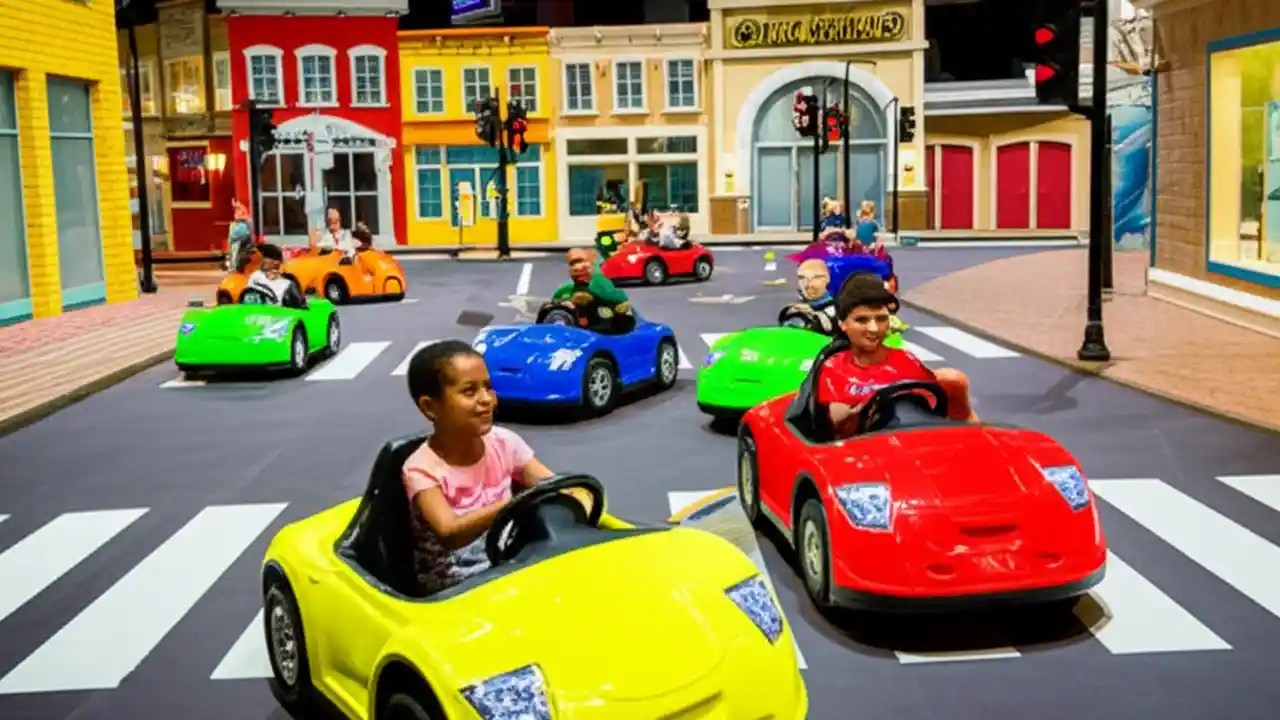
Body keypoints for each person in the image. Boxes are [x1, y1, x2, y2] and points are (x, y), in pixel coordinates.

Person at [401, 341, 555, 593]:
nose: (487, 400)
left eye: (488, 387)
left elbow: (551, 484)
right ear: (430, 407)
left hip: (508, 565)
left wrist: (573, 496)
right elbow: (449, 532)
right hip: (456, 587)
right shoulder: (421, 469)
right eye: (470, 392)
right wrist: (517, 502)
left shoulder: (504, 442)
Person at [817, 273, 977, 438]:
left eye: (880, 319)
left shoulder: (906, 361)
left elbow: (945, 412)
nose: (873, 328)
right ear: (843, 324)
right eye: (862, 320)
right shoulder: (832, 369)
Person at [550, 248, 635, 333]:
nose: (577, 268)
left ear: (592, 263)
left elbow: (625, 323)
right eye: (572, 264)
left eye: (581, 261)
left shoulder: (605, 287)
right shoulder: (563, 291)